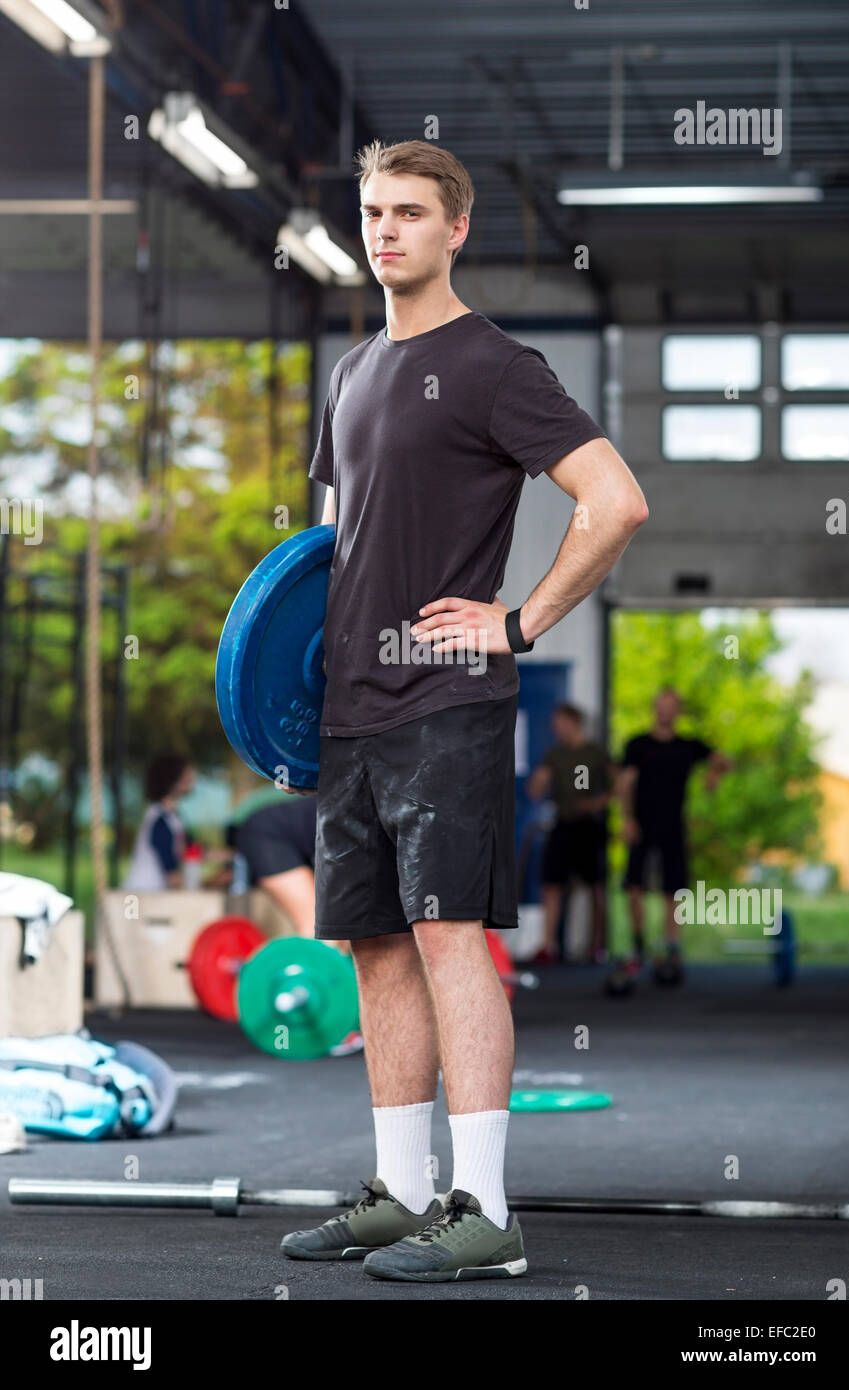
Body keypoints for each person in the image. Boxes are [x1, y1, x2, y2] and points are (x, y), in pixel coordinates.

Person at [280, 138, 648, 1283]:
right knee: (374, 946)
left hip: (445, 700)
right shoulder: (348, 376)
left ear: (455, 232)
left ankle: (483, 1210)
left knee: (448, 939)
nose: (383, 230)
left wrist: (517, 620)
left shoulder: (493, 365)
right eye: (371, 212)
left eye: (407, 213)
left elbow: (615, 499)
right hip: (348, 708)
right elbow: (322, 559)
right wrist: (288, 700)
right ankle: (399, 1189)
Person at [227, 793, 363, 1056]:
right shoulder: (367, 812)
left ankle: (336, 1015)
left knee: (345, 927)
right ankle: (316, 1020)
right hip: (268, 835)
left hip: (300, 842)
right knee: (319, 925)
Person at [616, 687, 733, 978]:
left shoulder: (688, 746)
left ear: (678, 711)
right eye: (660, 705)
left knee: (674, 888)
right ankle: (639, 946)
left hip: (673, 825)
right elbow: (624, 783)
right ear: (654, 709)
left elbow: (724, 761)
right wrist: (627, 820)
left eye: (670, 706)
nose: (664, 711)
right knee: (634, 886)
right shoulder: (638, 744)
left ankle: (671, 946)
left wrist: (713, 774)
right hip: (642, 824)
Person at [526, 704, 615, 965]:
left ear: (574, 722)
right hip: (562, 825)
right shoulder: (554, 754)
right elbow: (536, 786)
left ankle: (598, 946)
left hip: (589, 826)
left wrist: (597, 803)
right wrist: (538, 783)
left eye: (560, 722)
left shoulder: (596, 753)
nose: (556, 728)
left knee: (595, 886)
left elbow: (618, 785)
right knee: (551, 884)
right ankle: (549, 945)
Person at [124, 755, 224, 892]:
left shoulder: (173, 818)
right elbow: (172, 876)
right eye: (188, 776)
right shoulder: (159, 821)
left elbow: (194, 849)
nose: (193, 780)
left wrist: (233, 855)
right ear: (173, 780)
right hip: (145, 892)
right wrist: (211, 883)